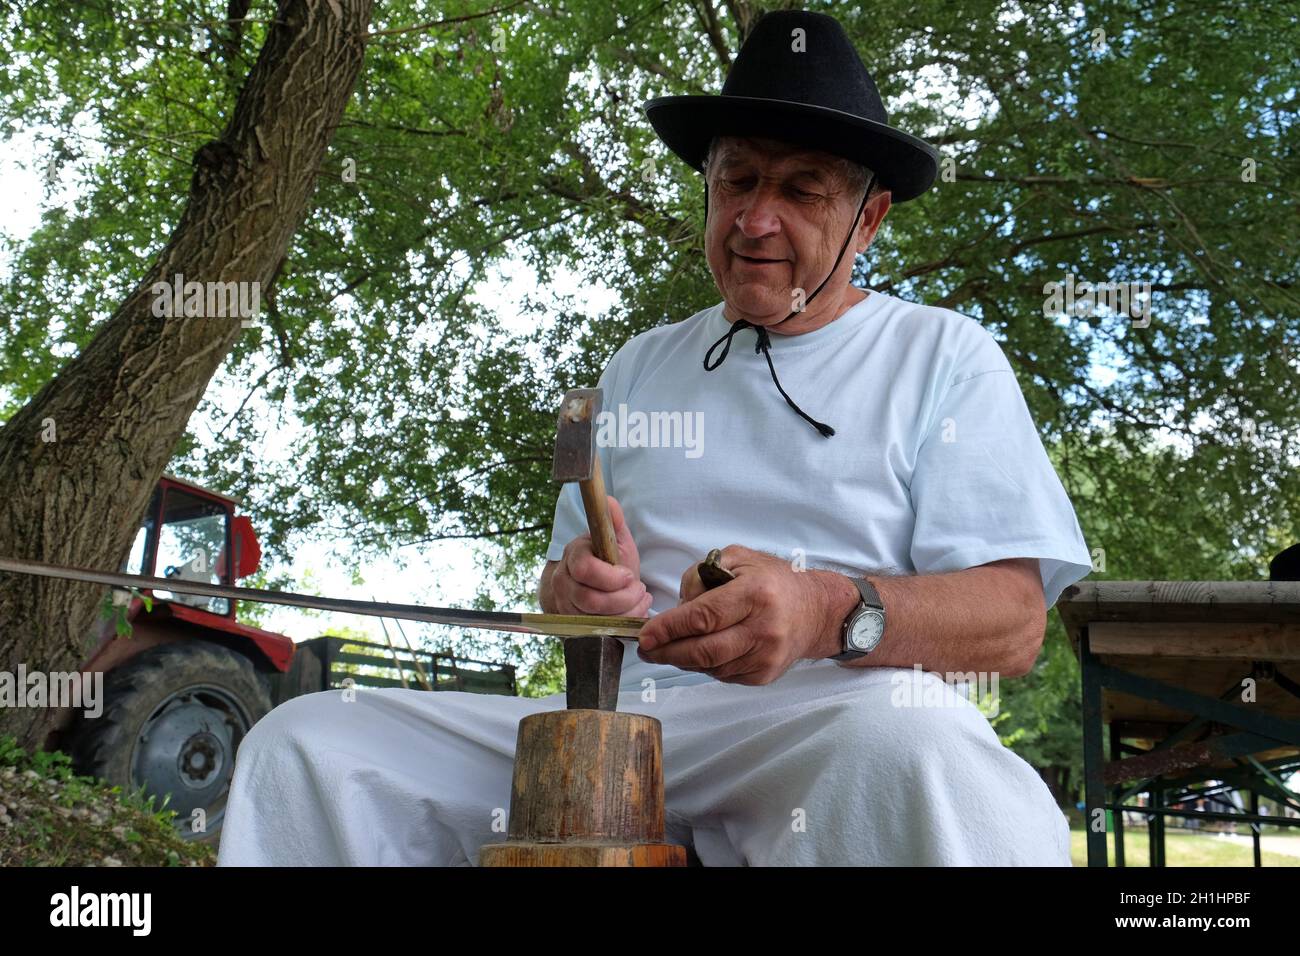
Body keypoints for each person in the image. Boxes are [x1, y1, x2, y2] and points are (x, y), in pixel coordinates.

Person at [217, 9, 1091, 867]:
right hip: (619, 725)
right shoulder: (638, 366)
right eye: (737, 180)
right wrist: (581, 592)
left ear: (868, 220)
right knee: (310, 745)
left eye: (799, 190)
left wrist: (825, 610)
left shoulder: (943, 356)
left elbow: (1012, 624)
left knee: (921, 751)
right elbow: (568, 598)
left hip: (826, 726)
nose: (754, 219)